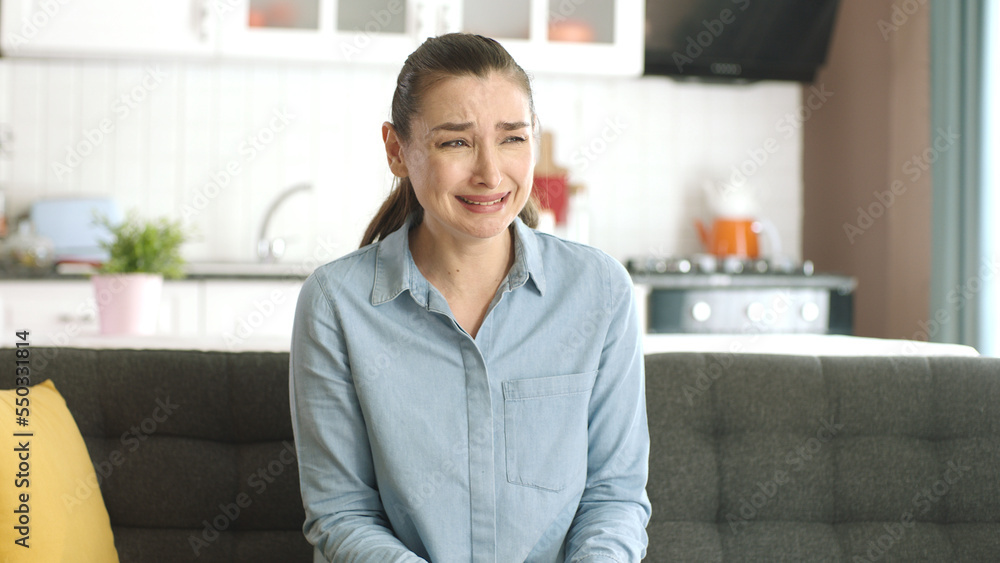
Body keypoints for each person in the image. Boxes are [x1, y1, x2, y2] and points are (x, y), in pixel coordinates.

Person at [289, 33, 650, 562]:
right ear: (396, 150)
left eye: (512, 139)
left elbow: (613, 499)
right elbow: (342, 514)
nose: (490, 173)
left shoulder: (600, 290)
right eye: (455, 143)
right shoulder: (335, 304)